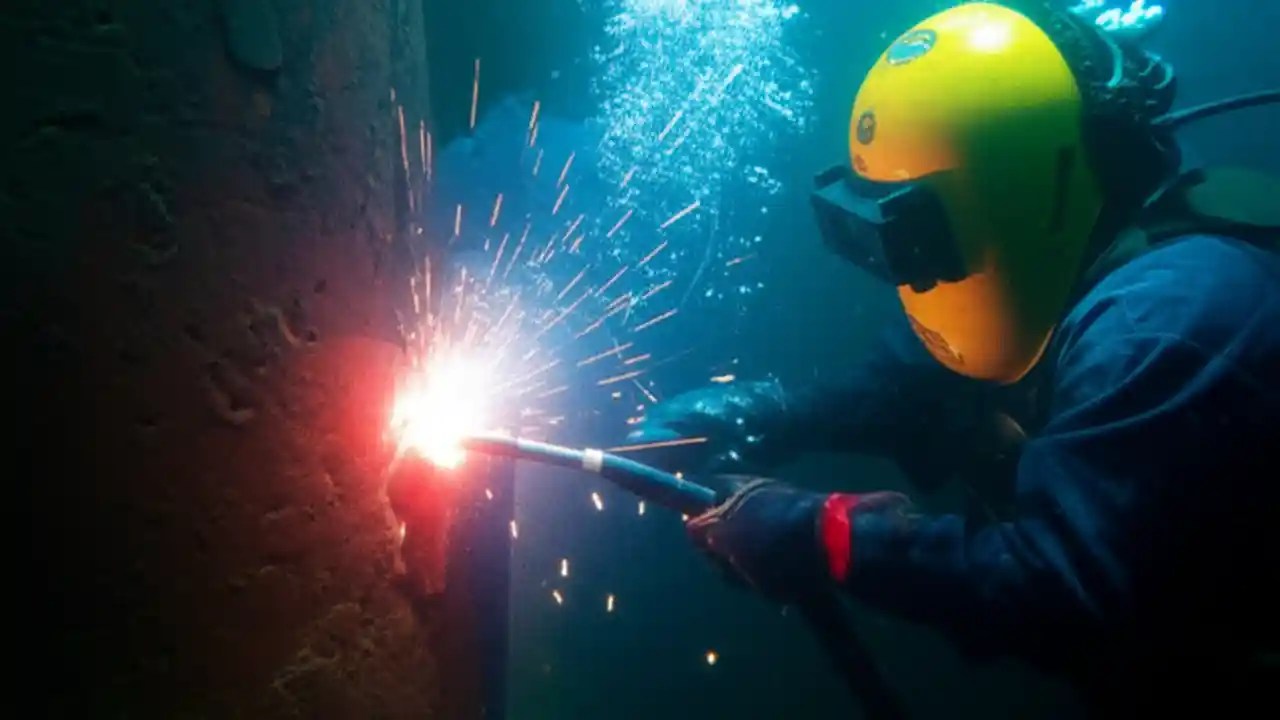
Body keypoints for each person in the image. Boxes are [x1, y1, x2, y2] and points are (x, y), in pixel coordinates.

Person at [629, 1, 1280, 713]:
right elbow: (907, 381)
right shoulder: (1036, 268)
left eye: (920, 235)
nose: (908, 268)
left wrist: (825, 535)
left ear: (1018, 192)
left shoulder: (1169, 322)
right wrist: (766, 412)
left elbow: (1063, 589)